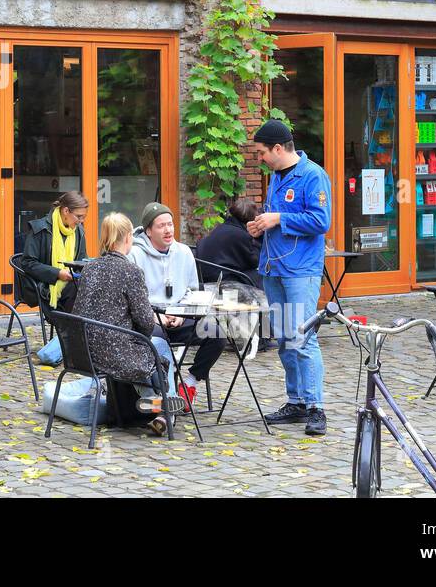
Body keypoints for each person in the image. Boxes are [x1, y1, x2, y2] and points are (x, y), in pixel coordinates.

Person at [248, 119, 332, 436]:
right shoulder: (276, 177)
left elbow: (321, 220)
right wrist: (260, 226)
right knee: (285, 339)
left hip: (301, 271)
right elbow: (279, 223)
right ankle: (295, 402)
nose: (261, 159)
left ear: (279, 149)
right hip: (274, 268)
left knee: (302, 338)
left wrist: (279, 217)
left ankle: (316, 408)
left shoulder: (313, 176)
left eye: (262, 153)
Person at [71, 213, 173, 435]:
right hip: (117, 356)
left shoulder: (88, 269)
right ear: (128, 238)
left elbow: (79, 312)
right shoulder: (131, 271)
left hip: (84, 354)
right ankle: (165, 409)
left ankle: (151, 400)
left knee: (145, 348)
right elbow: (146, 323)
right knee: (159, 344)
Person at [127, 202, 224, 409]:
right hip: (150, 320)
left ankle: (188, 384)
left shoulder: (184, 252)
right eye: (161, 225)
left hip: (179, 316)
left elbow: (191, 291)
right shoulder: (135, 255)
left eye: (170, 224)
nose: (168, 230)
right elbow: (132, 300)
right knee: (158, 344)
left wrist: (182, 313)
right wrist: (154, 316)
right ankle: (164, 396)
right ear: (149, 231)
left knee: (218, 333)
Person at [21, 191, 89, 366]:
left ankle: (67, 346)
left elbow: (81, 261)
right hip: (44, 287)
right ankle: (74, 347)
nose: (81, 221)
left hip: (70, 285)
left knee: (88, 288)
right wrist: (57, 274)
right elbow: (28, 263)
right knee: (81, 294)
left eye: (83, 217)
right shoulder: (40, 229)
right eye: (79, 216)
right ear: (66, 211)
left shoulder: (79, 231)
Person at [197, 198, 272, 350]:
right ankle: (262, 336)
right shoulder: (240, 235)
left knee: (254, 277)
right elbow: (256, 260)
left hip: (206, 282)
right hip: (223, 284)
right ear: (250, 220)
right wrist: (259, 240)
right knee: (263, 280)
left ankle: (257, 333)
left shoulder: (222, 228)